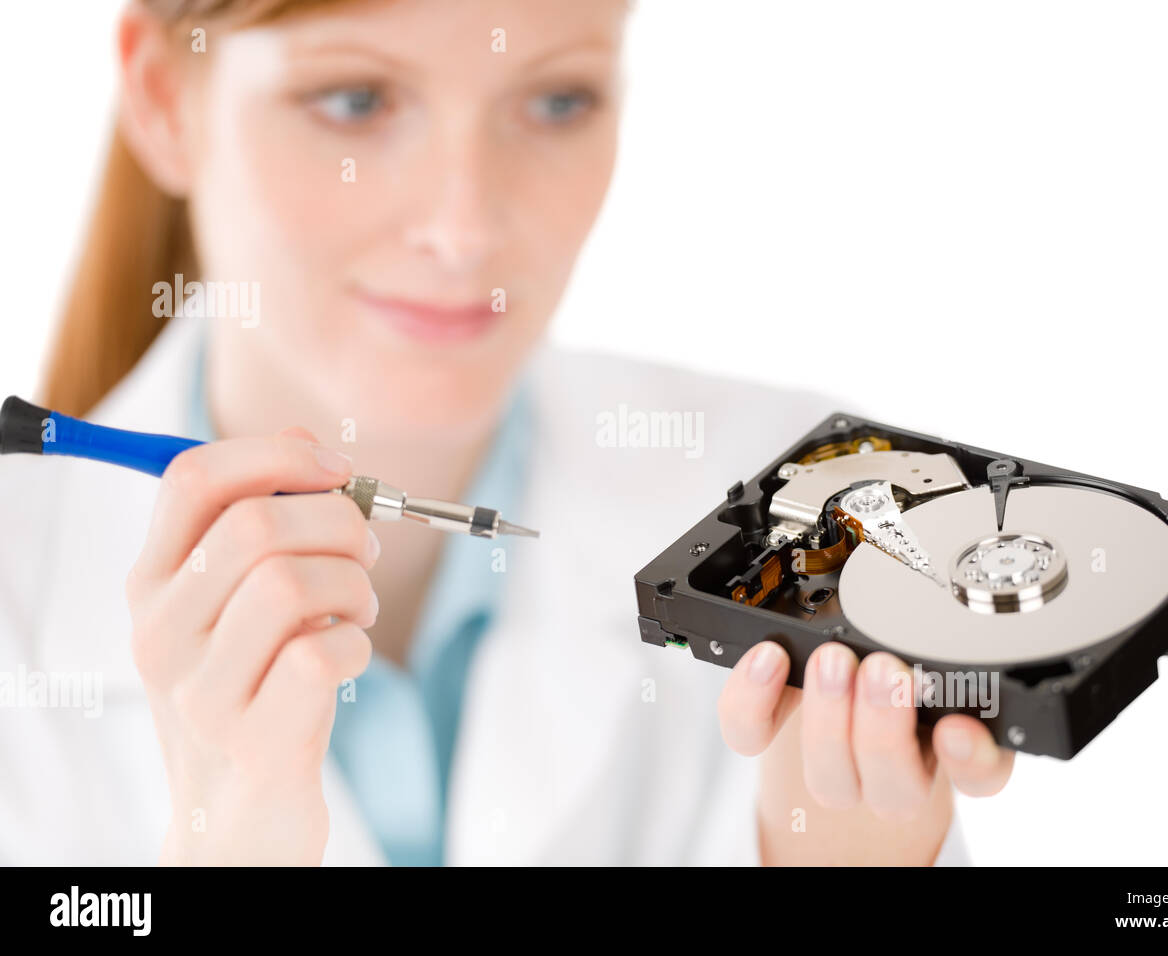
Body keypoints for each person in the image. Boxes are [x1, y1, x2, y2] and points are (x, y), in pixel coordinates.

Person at [0, 0, 1012, 866]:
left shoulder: (790, 492)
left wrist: (835, 852)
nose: (464, 227)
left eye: (557, 100)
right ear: (164, 99)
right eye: (355, 100)